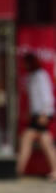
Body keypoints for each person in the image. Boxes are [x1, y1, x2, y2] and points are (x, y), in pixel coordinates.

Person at [16, 53, 56, 181]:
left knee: (27, 139)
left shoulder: (40, 76)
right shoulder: (32, 77)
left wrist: (44, 113)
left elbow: (47, 97)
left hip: (42, 114)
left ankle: (18, 170)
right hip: (37, 114)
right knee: (46, 143)